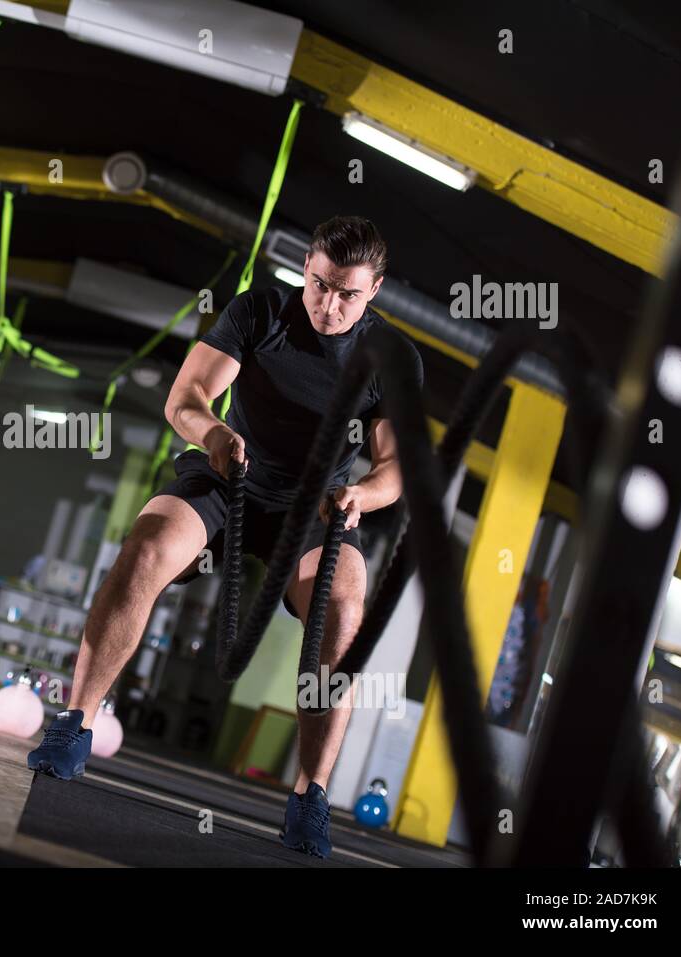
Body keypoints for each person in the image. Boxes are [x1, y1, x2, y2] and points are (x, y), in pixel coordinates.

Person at [27, 216, 423, 858]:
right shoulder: (259, 310)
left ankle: (309, 796)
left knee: (347, 607)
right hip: (226, 475)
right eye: (318, 283)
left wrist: (362, 497)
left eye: (346, 293)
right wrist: (210, 431)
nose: (327, 303)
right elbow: (185, 396)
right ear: (307, 268)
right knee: (147, 547)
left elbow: (395, 468)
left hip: (316, 507)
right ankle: (76, 723)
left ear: (374, 289)